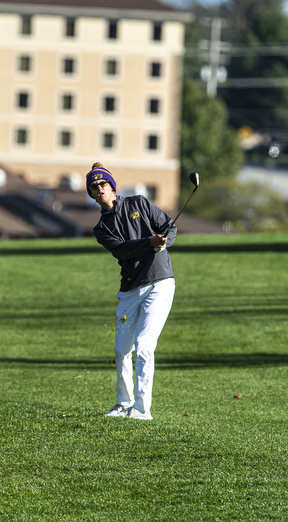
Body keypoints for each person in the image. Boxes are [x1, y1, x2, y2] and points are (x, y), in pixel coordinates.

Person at [87, 162, 176, 421]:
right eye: (94, 187)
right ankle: (123, 404)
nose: (100, 189)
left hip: (159, 283)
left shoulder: (139, 203)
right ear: (91, 194)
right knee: (121, 349)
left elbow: (169, 226)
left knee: (144, 346)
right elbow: (123, 250)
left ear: (112, 187)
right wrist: (149, 243)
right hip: (130, 290)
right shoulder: (101, 229)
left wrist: (163, 243)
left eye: (103, 184)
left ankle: (141, 409)